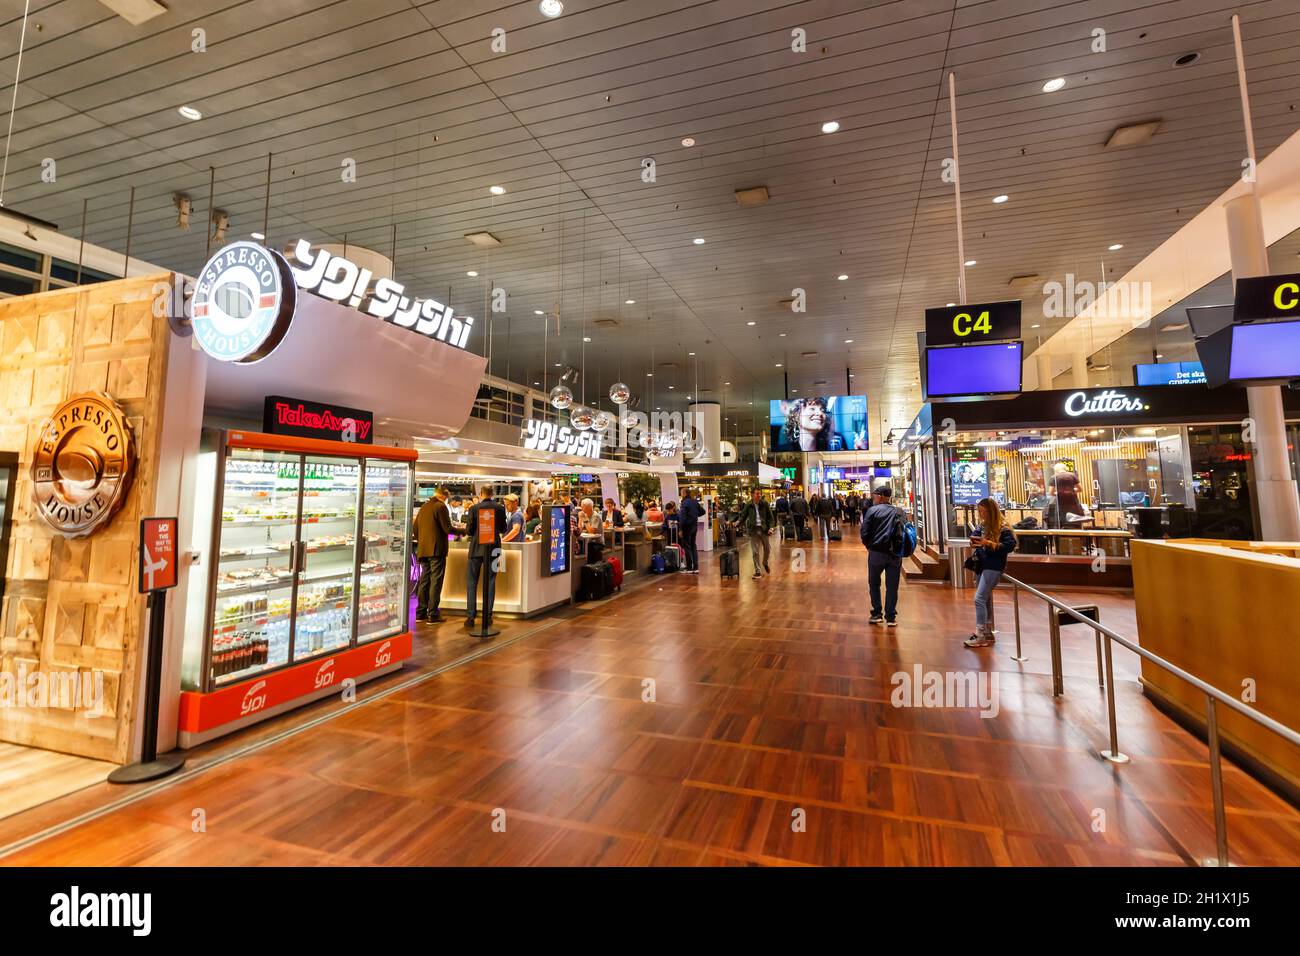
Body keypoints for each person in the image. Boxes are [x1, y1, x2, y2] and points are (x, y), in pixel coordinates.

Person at [964, 496, 1017, 648]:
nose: (981, 514)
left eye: (984, 511)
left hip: (993, 566)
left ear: (991, 511)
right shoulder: (982, 525)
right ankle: (987, 630)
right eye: (980, 511)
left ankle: (980, 634)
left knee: (979, 598)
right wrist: (975, 542)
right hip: (982, 564)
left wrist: (989, 543)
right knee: (984, 598)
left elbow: (1009, 546)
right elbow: (978, 539)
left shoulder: (1003, 527)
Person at [463, 484, 507, 634]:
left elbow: (468, 530)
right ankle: (488, 616)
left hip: (476, 549)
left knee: (471, 582)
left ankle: (470, 617)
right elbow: (503, 529)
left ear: (481, 493)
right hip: (494, 548)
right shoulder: (500, 508)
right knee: (491, 580)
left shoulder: (474, 509)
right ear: (493, 493)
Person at [860, 485, 903, 626]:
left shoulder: (872, 511)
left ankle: (877, 613)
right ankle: (890, 616)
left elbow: (864, 532)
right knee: (892, 586)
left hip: (876, 553)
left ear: (883, 496)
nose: (873, 498)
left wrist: (869, 546)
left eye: (876, 495)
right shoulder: (899, 511)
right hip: (894, 554)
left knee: (874, 583)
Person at [413, 486, 453, 623]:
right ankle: (433, 614)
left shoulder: (424, 507)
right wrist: (464, 531)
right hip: (436, 550)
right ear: (444, 496)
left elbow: (415, 528)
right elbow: (447, 528)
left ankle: (420, 613)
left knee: (424, 580)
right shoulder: (440, 507)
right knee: (436, 581)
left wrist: (422, 541)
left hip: (423, 549)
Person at [739, 488, 774, 579]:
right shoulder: (748, 505)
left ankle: (765, 562)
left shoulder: (765, 504)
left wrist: (771, 527)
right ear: (752, 495)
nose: (759, 495)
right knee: (755, 551)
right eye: (757, 494)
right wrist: (737, 522)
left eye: (759, 494)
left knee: (767, 549)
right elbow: (743, 516)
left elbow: (770, 517)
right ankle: (757, 571)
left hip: (764, 530)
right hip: (753, 530)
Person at [679, 488, 704, 573]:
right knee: (693, 546)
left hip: (686, 527)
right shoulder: (694, 501)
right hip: (694, 526)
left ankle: (689, 568)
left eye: (681, 493)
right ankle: (696, 567)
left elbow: (682, 518)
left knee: (687, 546)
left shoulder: (684, 503)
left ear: (684, 493)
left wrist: (681, 529)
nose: (681, 494)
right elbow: (703, 511)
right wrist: (695, 516)